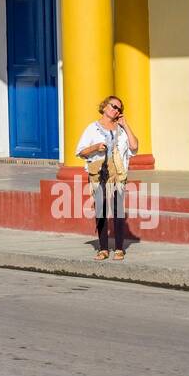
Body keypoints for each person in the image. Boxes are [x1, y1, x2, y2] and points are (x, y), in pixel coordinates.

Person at [75, 95, 139, 261]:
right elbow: (80, 152)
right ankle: (103, 248)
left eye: (119, 108)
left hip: (118, 173)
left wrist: (126, 125)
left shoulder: (122, 129)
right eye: (113, 106)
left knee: (118, 210)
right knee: (101, 210)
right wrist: (96, 147)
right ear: (104, 107)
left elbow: (134, 147)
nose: (116, 110)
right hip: (99, 174)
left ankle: (119, 248)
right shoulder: (92, 128)